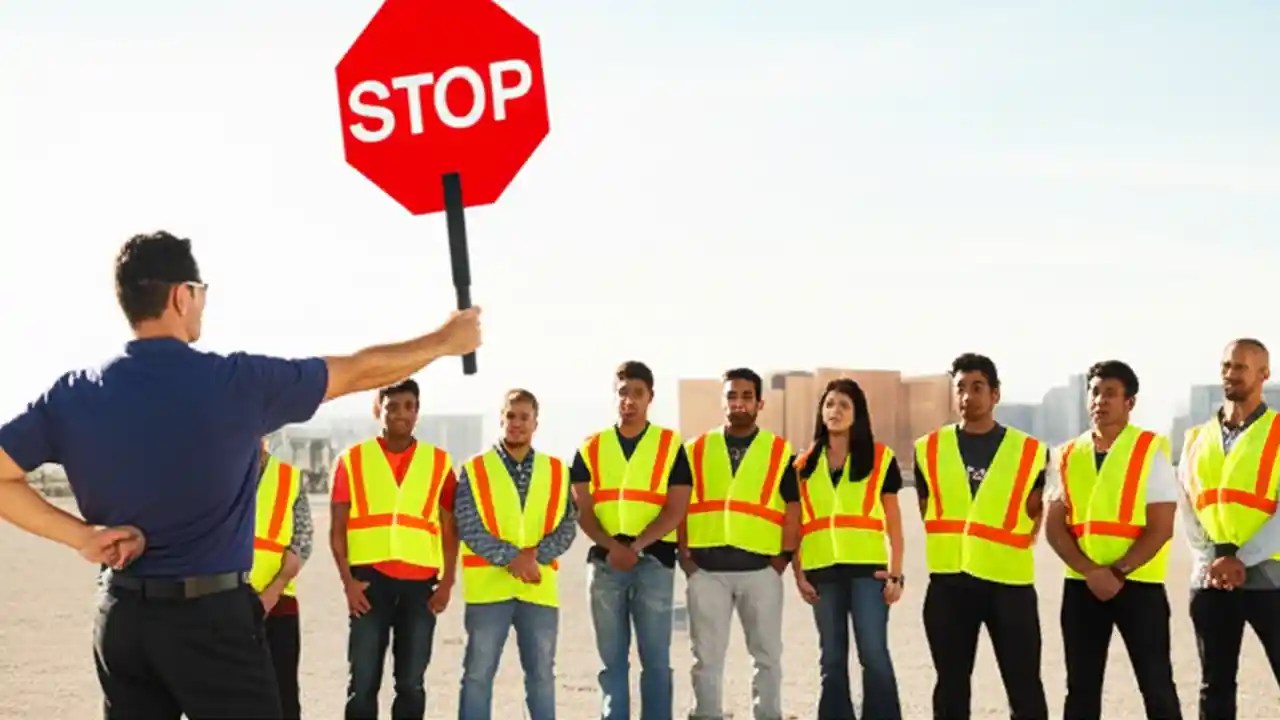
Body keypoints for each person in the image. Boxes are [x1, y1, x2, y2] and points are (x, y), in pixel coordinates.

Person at [0, 230, 481, 719]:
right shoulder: (235, 384)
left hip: (122, 618)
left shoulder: (76, 393)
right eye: (201, 291)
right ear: (181, 295)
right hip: (211, 620)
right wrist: (445, 341)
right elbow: (357, 371)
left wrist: (81, 536)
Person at [913, 353, 1050, 720]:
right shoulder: (927, 449)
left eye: (977, 387)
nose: (968, 396)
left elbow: (1036, 511)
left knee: (1024, 687)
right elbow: (926, 507)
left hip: (1010, 586)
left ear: (995, 394)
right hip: (950, 584)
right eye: (961, 388)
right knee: (951, 688)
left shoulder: (1031, 452)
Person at [1043, 360, 1181, 720]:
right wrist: (1090, 571)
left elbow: (1161, 526)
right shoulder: (1067, 455)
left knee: (1156, 685)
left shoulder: (1150, 451)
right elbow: (1055, 526)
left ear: (1129, 402)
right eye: (1094, 392)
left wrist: (1118, 572)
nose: (1100, 400)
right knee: (1081, 689)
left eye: (1110, 393)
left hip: (1138, 585)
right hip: (1082, 586)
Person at [329, 378, 460, 720]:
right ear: (379, 411)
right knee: (362, 684)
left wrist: (447, 583)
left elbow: (449, 528)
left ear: (417, 411)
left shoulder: (440, 463)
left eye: (408, 407)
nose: (401, 415)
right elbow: (337, 529)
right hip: (369, 584)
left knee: (411, 684)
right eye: (392, 407)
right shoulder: (352, 460)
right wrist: (348, 583)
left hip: (420, 587)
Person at [570, 360, 693, 720]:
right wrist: (613, 548)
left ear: (650, 398)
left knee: (656, 660)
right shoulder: (591, 447)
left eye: (637, 393)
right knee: (611, 662)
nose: (629, 400)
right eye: (623, 392)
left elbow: (676, 508)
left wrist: (635, 547)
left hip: (654, 562)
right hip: (605, 564)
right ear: (615, 395)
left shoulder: (670, 445)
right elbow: (584, 510)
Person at [679, 367, 800, 720]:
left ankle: (768, 715)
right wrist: (687, 558)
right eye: (732, 395)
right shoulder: (695, 449)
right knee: (706, 657)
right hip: (707, 571)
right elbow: (680, 504)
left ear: (759, 403)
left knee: (766, 656)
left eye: (746, 396)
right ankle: (706, 714)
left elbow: (793, 509)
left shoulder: (779, 451)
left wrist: (781, 560)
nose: (739, 403)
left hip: (760, 571)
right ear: (723, 401)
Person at [454, 389, 578, 720]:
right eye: (511, 416)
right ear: (501, 419)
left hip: (538, 588)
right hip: (487, 590)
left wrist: (533, 559)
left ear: (536, 422)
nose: (517, 423)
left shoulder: (556, 470)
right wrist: (513, 558)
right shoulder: (475, 468)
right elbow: (469, 524)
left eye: (524, 417)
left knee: (541, 678)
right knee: (478, 676)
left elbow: (567, 525)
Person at [1179, 337, 1280, 719]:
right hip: (1212, 578)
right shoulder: (1196, 438)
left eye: (1240, 367)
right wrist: (1214, 559)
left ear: (1264, 374)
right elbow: (1190, 506)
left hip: (1271, 576)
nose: (1230, 374)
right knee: (1215, 685)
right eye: (1225, 366)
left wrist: (1242, 558)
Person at [792, 378, 905, 720]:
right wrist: (799, 573)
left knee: (873, 654)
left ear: (857, 414)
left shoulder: (880, 458)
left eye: (844, 405)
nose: (835, 411)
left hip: (868, 572)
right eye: (829, 404)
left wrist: (897, 574)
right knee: (831, 659)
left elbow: (894, 524)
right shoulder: (802, 465)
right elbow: (796, 525)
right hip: (821, 572)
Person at [251, 437, 315, 720]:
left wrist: (273, 590)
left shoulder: (289, 478)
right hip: (223, 603)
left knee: (283, 695)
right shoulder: (215, 476)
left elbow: (302, 540)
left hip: (279, 604)